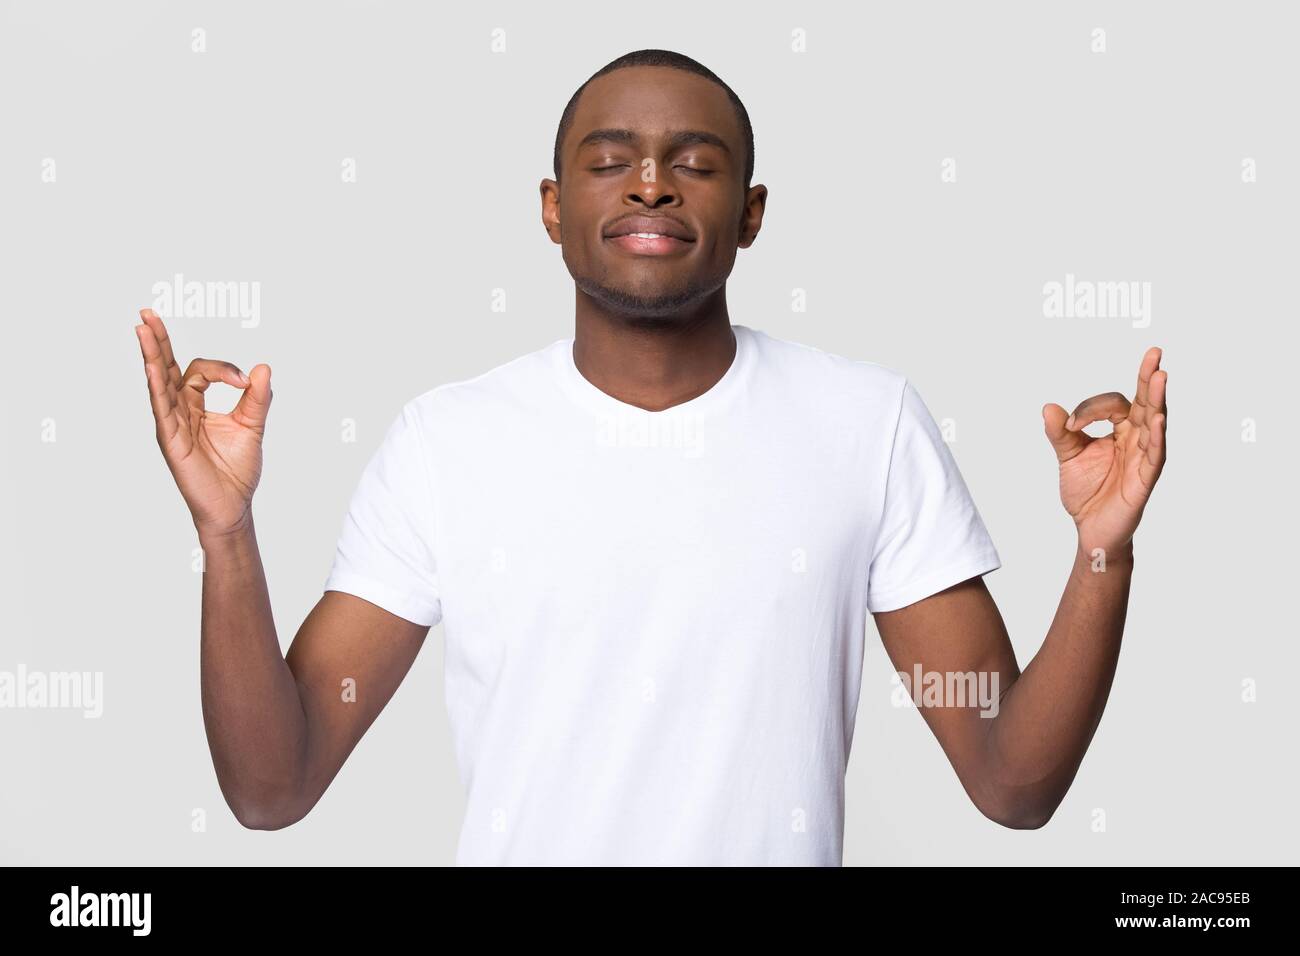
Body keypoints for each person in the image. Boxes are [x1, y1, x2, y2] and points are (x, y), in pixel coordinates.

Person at [133, 49, 1168, 866]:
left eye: (695, 163)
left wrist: (1100, 555)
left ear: (750, 213)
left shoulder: (867, 421)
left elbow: (1010, 781)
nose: (651, 185)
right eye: (609, 159)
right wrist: (226, 534)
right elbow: (274, 786)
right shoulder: (447, 442)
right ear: (551, 207)